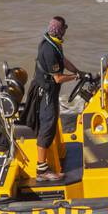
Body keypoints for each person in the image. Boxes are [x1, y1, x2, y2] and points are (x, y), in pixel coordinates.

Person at [20, 16, 81, 181]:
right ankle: (42, 171)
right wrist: (75, 77)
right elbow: (58, 78)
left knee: (51, 125)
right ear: (59, 30)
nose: (65, 32)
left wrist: (78, 71)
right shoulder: (49, 49)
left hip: (50, 92)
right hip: (46, 94)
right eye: (64, 29)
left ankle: (46, 165)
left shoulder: (54, 42)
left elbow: (63, 60)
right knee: (47, 128)